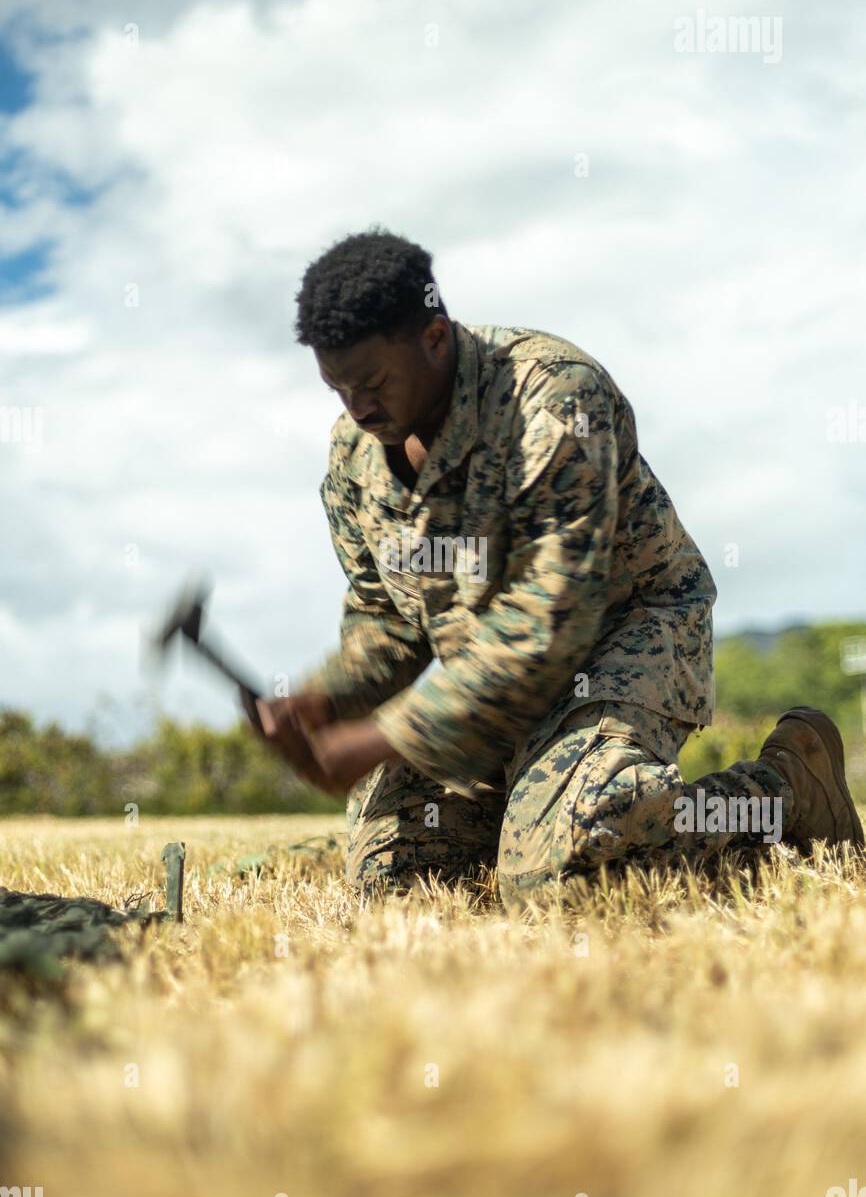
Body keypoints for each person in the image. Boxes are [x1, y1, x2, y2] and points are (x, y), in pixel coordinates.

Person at [250, 228, 862, 906]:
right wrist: (327, 696)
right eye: (338, 390)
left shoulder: (553, 399)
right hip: (484, 690)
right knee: (397, 883)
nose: (358, 410)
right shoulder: (356, 460)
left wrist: (385, 736)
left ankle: (782, 793)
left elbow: (549, 626)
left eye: (372, 384)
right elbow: (386, 618)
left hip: (620, 640)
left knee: (566, 876)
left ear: (433, 337)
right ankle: (532, 808)